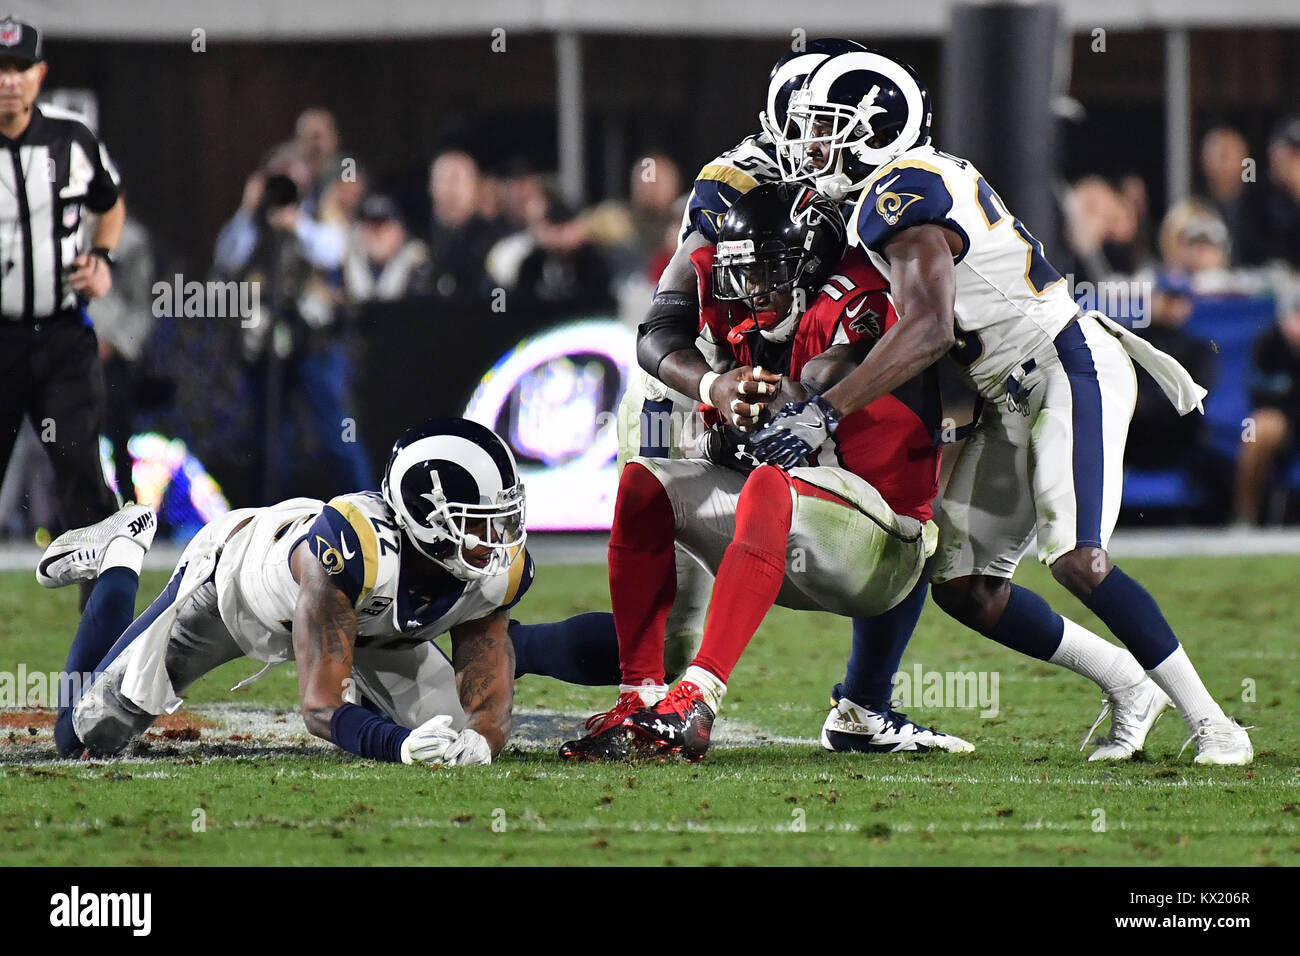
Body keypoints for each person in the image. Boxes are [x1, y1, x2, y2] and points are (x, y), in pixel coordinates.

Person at [749, 48, 1252, 764]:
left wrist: (825, 412)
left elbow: (925, 329)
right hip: (1011, 390)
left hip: (1063, 367)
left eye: (829, 127)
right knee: (964, 583)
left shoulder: (899, 193)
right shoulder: (907, 183)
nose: (814, 145)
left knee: (1078, 559)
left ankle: (1216, 726)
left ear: (874, 129)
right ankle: (1129, 686)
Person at [627, 38, 961, 754]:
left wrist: (811, 402)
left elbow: (914, 346)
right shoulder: (734, 186)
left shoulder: (882, 208)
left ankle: (856, 697)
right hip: (724, 380)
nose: (815, 142)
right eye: (806, 125)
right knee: (650, 487)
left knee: (824, 472)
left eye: (827, 126)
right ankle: (637, 689)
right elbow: (660, 328)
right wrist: (715, 385)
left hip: (843, 452)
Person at [561, 183, 970, 761]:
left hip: (885, 547)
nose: (754, 291)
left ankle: (698, 698)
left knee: (769, 484)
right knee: (645, 484)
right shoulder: (756, 320)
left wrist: (789, 403)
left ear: (814, 264)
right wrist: (723, 409)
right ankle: (641, 696)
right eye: (744, 273)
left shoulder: (858, 300)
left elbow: (826, 379)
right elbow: (661, 346)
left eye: (770, 272)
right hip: (796, 531)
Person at [44, 418, 618, 763]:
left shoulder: (492, 568)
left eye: (502, 518)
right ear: (427, 516)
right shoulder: (355, 549)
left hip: (370, 626)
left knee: (447, 724)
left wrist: (483, 742)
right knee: (83, 736)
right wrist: (393, 746)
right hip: (233, 591)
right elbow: (321, 708)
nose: (497, 539)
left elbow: (486, 685)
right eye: (477, 521)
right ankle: (121, 551)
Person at [0, 18, 123, 599]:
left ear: (39, 74)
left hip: (61, 337)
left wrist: (102, 257)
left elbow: (111, 201)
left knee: (84, 482)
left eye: (19, 68)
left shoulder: (71, 140)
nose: (8, 82)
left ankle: (102, 648)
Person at [1234, 286, 1300, 524]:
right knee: (1254, 430)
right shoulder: (1268, 343)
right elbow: (1257, 391)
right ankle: (1245, 513)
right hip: (1282, 418)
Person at [1235, 117, 1300, 268]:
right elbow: (1251, 251)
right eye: (1290, 152)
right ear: (1272, 151)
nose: (1294, 160)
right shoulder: (1253, 194)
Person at [343, 195, 432, 302]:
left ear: (400, 231)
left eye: (383, 225)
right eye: (368, 226)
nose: (376, 234)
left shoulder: (419, 269)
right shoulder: (342, 267)